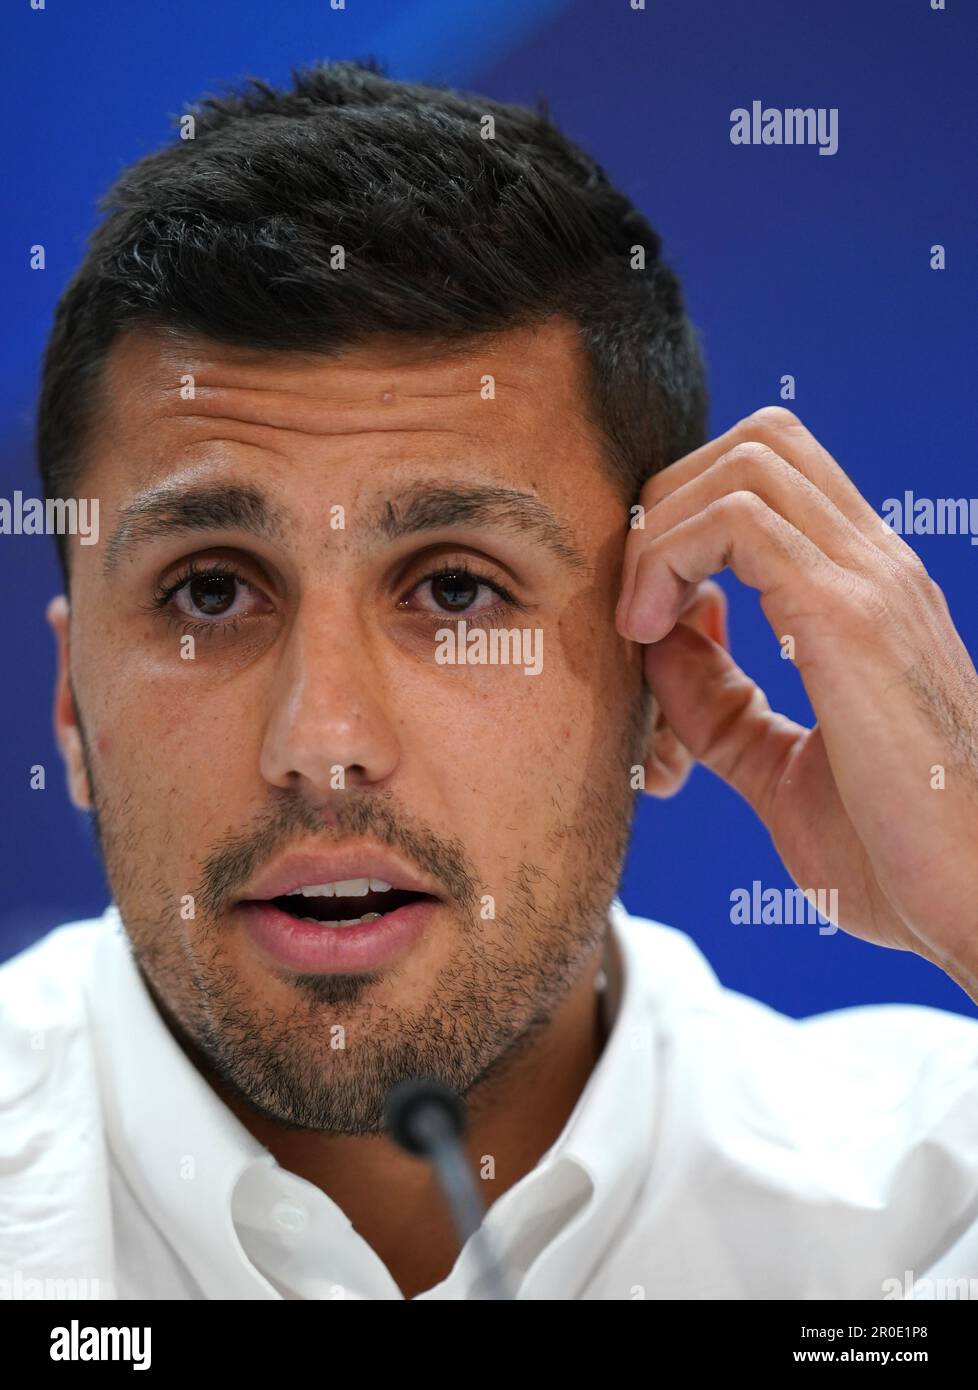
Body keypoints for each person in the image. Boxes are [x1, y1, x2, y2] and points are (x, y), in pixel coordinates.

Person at [2, 58, 977, 1302]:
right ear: (75, 706)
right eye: (209, 591)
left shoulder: (941, 1196)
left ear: (667, 687)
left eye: (457, 589)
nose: (325, 740)